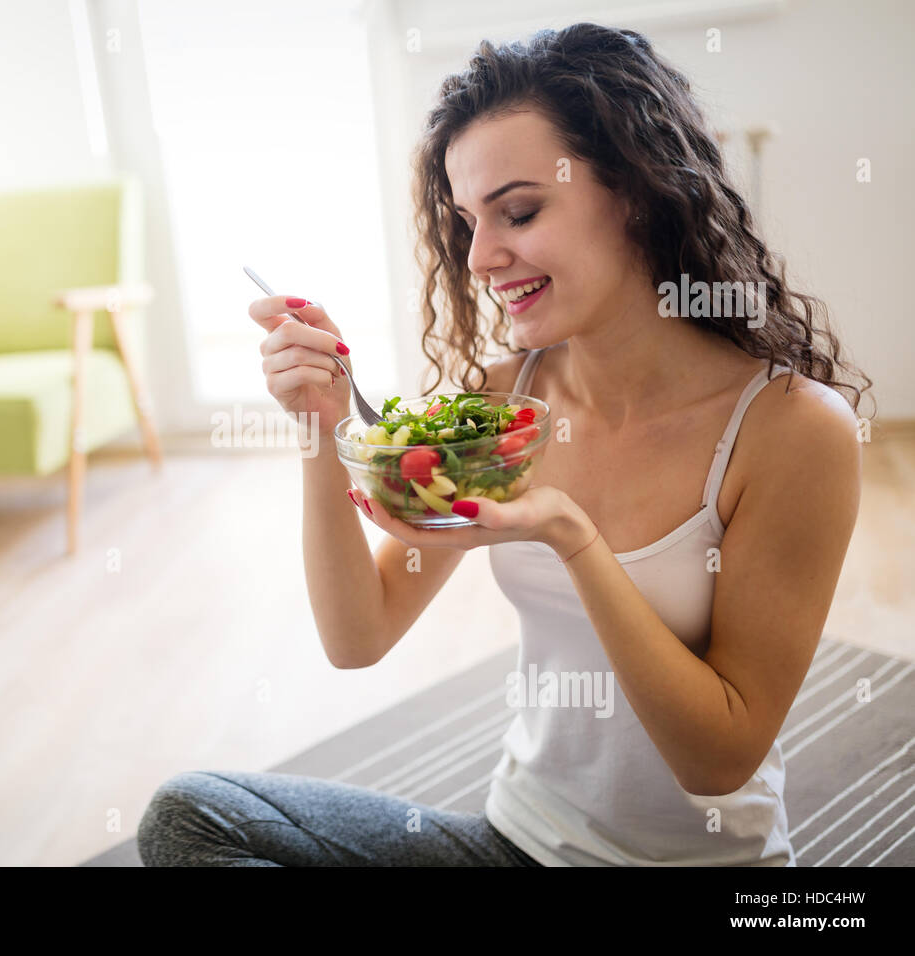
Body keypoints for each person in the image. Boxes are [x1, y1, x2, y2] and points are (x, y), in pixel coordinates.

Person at [138, 21, 871, 866]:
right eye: (468, 221)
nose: (483, 256)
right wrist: (324, 424)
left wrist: (571, 536)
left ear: (636, 189)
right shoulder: (500, 401)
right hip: (515, 843)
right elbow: (358, 635)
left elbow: (719, 759)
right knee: (189, 817)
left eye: (519, 211)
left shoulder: (790, 430)